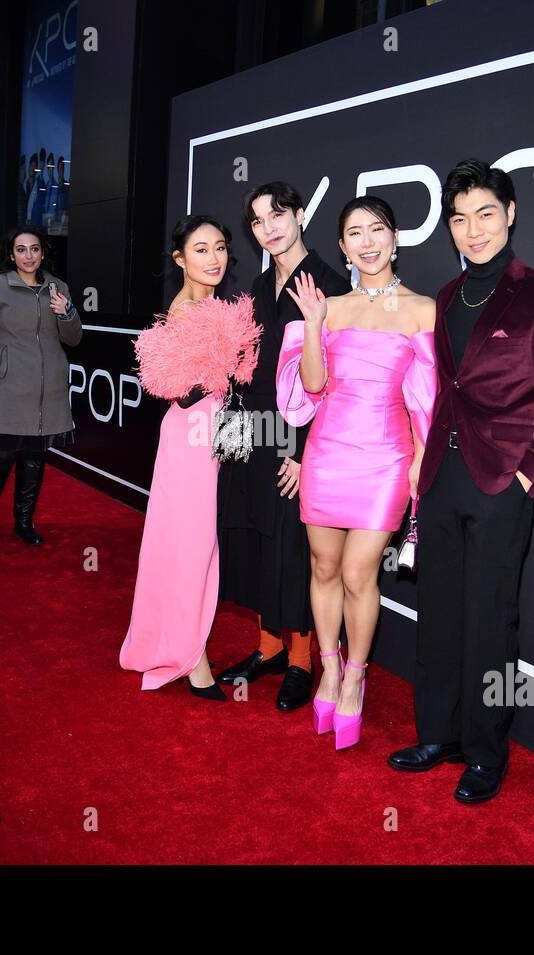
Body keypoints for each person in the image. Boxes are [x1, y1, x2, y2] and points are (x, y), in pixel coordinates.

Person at [387, 159, 534, 803]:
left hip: (503, 481)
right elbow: (447, 391)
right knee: (440, 614)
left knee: (489, 622)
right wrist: (424, 463)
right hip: (444, 476)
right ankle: (439, 734)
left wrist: (531, 477)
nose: (473, 230)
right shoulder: (447, 297)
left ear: (510, 215)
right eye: (459, 218)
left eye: (485, 215)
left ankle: (485, 752)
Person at [279, 196, 436, 749]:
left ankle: (355, 677)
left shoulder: (423, 310)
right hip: (328, 452)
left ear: (395, 238)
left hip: (387, 457)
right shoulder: (331, 307)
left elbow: (428, 400)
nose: (367, 242)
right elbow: (315, 387)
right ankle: (327, 664)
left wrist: (419, 461)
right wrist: (315, 323)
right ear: (342, 246)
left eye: (377, 230)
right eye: (355, 233)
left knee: (356, 572)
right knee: (322, 566)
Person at [216, 182, 351, 711]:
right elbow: (245, 368)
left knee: (293, 549)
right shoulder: (254, 283)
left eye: (277, 215)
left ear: (299, 215)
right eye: (256, 221)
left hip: (295, 438)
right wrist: (229, 441)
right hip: (248, 432)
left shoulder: (329, 284)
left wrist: (306, 451)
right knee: (254, 536)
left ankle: (301, 661)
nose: (268, 228)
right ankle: (267, 648)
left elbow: (335, 381)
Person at [120, 215, 239, 701]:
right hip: (191, 438)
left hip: (204, 435)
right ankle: (195, 662)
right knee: (192, 547)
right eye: (201, 249)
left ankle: (177, 643)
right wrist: (225, 368)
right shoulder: (191, 311)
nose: (213, 258)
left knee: (188, 544)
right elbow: (182, 391)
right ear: (180, 259)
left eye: (220, 248)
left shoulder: (211, 306)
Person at [0, 223, 81, 550]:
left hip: (47, 393)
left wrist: (66, 311)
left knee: (34, 458)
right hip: (6, 391)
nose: (28, 256)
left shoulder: (59, 288)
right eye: (21, 249)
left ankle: (24, 523)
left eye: (34, 249)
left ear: (43, 252)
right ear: (12, 254)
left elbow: (73, 338)